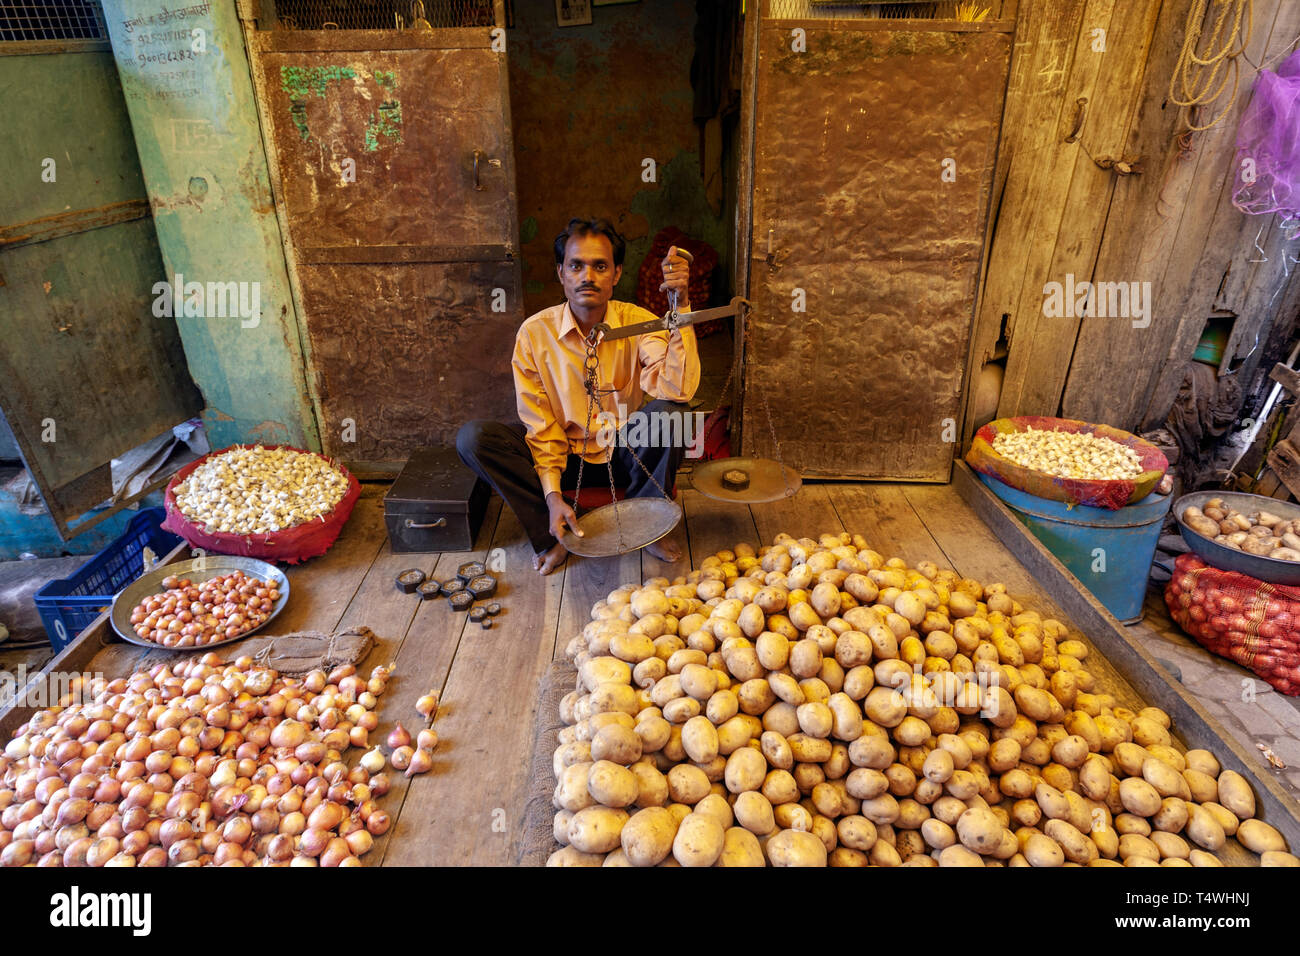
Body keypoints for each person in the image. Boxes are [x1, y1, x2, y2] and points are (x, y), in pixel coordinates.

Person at [457, 217, 699, 575]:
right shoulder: (535, 334)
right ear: (561, 273)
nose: (588, 276)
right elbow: (539, 424)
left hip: (623, 454)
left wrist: (681, 305)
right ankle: (558, 533)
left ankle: (646, 526)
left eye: (600, 266)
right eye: (576, 266)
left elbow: (678, 389)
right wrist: (553, 495)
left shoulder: (638, 322)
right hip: (566, 460)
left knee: (672, 415)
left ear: (616, 274)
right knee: (475, 438)